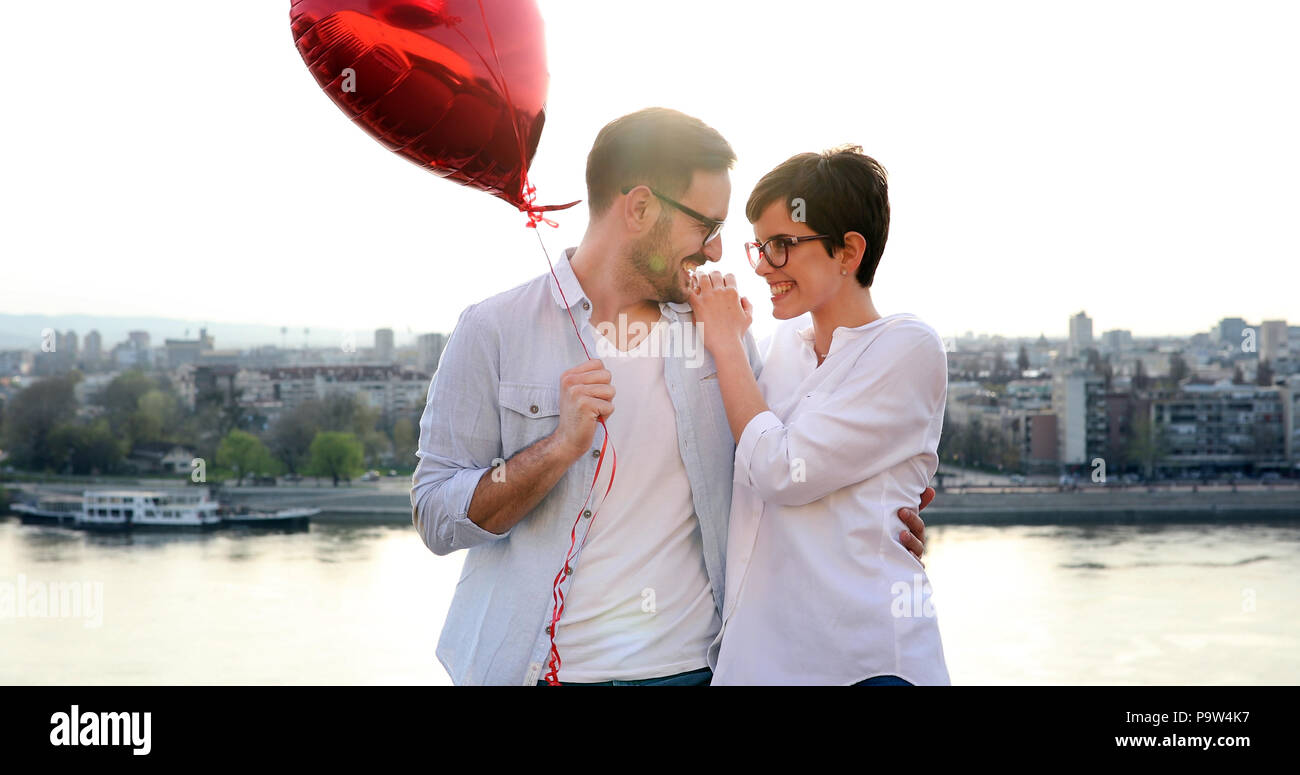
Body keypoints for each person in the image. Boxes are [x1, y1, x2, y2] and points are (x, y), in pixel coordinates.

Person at [411, 109, 931, 686]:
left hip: (697, 672)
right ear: (639, 208)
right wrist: (556, 449)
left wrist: (878, 510)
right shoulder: (494, 329)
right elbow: (435, 514)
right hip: (535, 671)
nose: (715, 251)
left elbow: (784, 463)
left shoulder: (721, 337)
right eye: (705, 225)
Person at [691, 146, 950, 685]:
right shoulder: (783, 344)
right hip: (760, 662)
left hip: (866, 665)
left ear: (848, 251)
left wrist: (725, 345)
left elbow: (781, 471)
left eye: (782, 245)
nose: (762, 265)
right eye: (760, 246)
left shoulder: (908, 346)